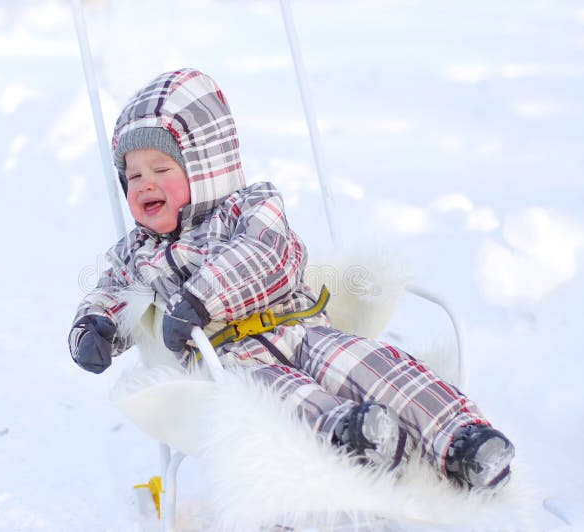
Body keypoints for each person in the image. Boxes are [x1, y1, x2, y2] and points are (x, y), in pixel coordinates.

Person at [68, 68, 514, 490]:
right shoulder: (139, 250)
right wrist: (94, 327)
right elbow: (109, 289)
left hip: (300, 327)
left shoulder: (250, 206)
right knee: (280, 398)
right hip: (233, 361)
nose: (144, 184)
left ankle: (462, 438)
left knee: (370, 364)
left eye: (162, 169)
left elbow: (268, 253)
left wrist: (200, 299)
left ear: (206, 166)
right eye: (132, 175)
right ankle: (353, 435)